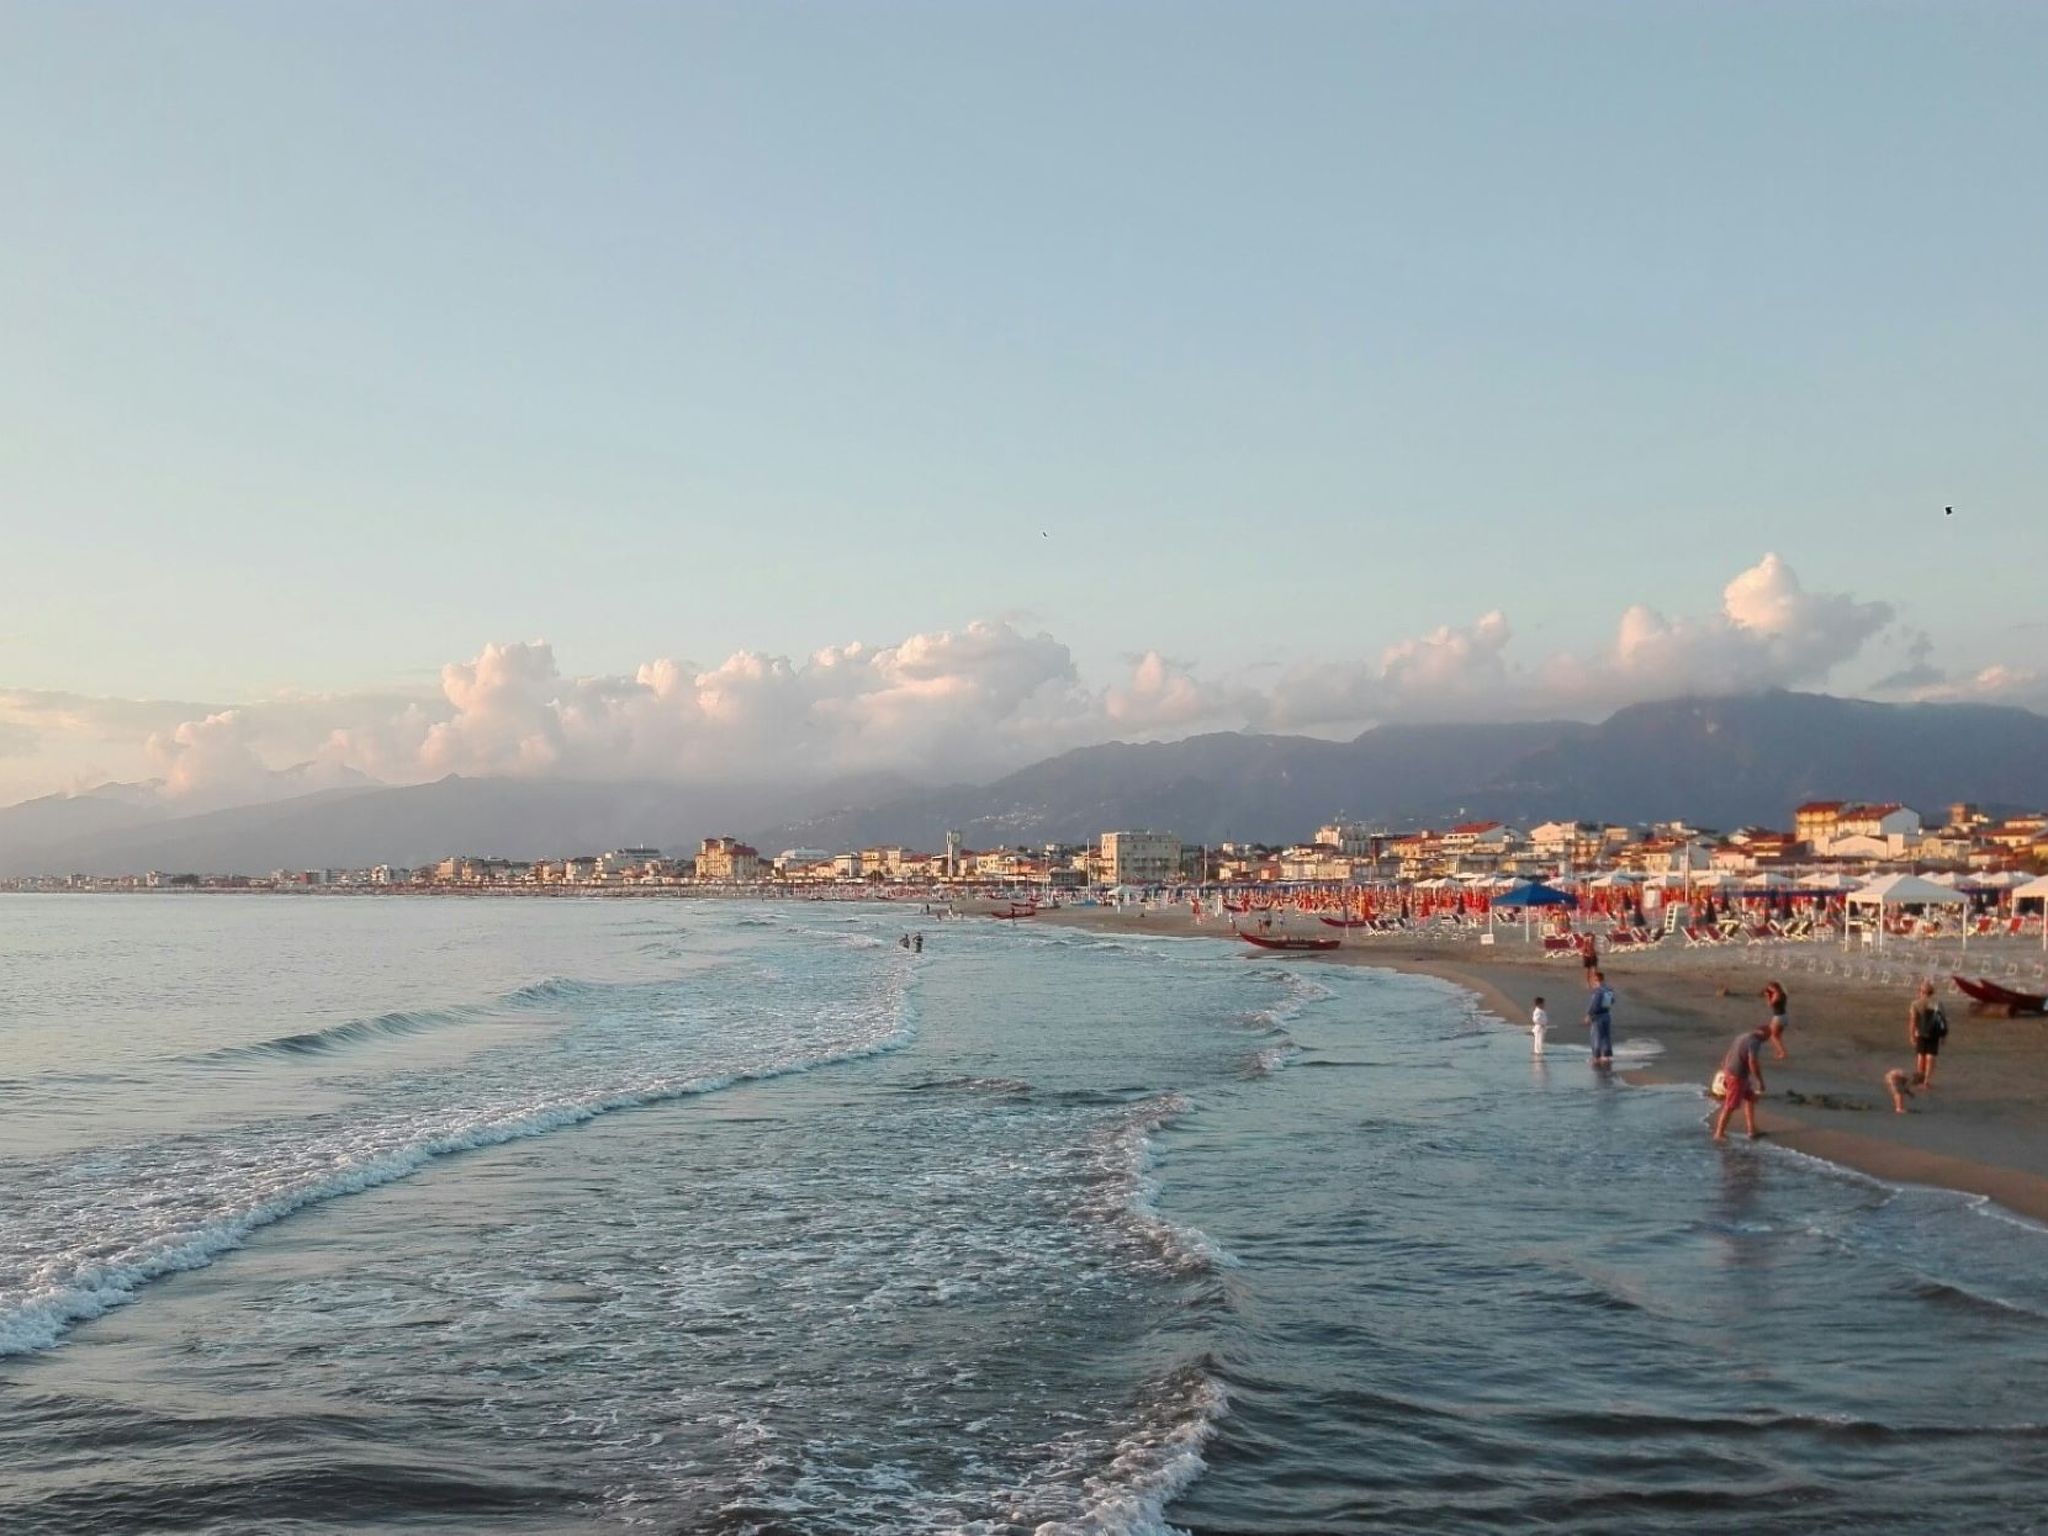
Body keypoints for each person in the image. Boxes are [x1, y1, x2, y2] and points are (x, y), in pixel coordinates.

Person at [1713, 1021, 1772, 1140]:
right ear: (1764, 1034)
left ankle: (1751, 1129)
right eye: (1768, 1036)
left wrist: (1725, 1066)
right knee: (1730, 1105)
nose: (1767, 1039)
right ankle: (1719, 1133)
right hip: (1737, 1076)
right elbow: (1752, 1062)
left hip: (1736, 1073)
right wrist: (1760, 1081)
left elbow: (1730, 1052)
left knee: (1750, 1098)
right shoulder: (1755, 1042)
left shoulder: (1742, 1036)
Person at [1909, 979, 1949, 1089]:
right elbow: (1943, 1021)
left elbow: (1912, 1021)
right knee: (1930, 1057)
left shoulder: (1915, 1003)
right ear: (1932, 992)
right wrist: (1944, 1036)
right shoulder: (1938, 1004)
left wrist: (1911, 1035)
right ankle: (1926, 1082)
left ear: (1921, 992)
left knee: (1920, 1056)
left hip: (1920, 1033)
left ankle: (1920, 1081)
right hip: (1934, 1034)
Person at [1584, 969, 1615, 1067]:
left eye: (1594, 980)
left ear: (1596, 980)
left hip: (1598, 1016)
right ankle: (1606, 1055)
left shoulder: (1598, 991)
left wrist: (1589, 1015)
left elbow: (1595, 1004)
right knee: (1606, 1036)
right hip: (1607, 1014)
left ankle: (1596, 1057)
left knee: (1596, 1036)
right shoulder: (1608, 989)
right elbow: (1612, 1001)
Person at [1762, 980, 1790, 1062]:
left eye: (1770, 988)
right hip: (1784, 1016)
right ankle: (1780, 1052)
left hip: (1778, 1017)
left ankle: (1783, 1053)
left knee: (1772, 1036)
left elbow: (1770, 1004)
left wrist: (1768, 996)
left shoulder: (1777, 994)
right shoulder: (1783, 994)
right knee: (1777, 1036)